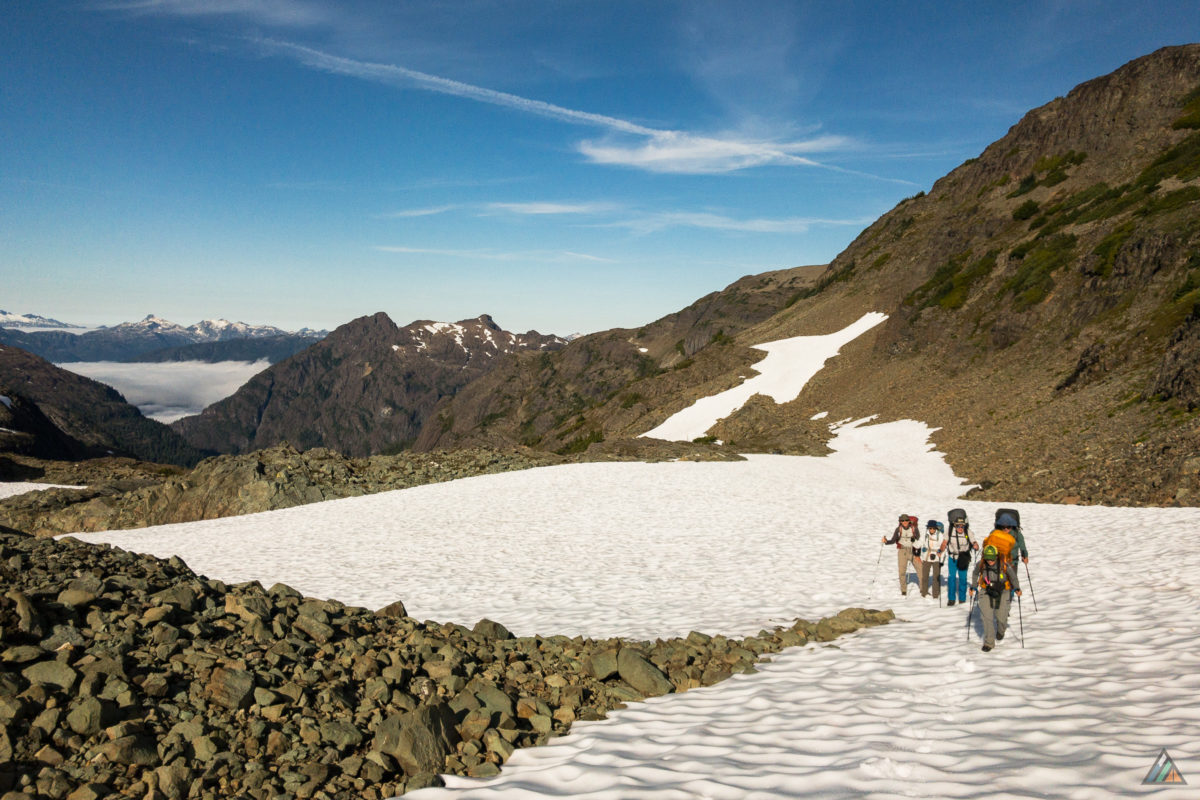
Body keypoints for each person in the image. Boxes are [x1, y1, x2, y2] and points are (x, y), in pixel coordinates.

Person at [969, 544, 1021, 652]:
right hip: (986, 590)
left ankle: (1001, 631)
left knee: (1001, 617)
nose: (990, 561)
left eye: (992, 558)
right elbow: (975, 574)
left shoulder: (1004, 564)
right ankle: (989, 643)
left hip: (1003, 591)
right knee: (986, 617)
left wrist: (1017, 588)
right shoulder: (982, 564)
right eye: (988, 558)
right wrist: (973, 586)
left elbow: (1013, 577)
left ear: (996, 556)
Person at [882, 514, 921, 596]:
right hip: (902, 551)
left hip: (913, 550)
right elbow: (893, 540)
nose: (904, 522)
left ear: (909, 521)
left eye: (906, 520)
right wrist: (886, 542)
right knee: (902, 572)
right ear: (900, 522)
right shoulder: (898, 529)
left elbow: (918, 538)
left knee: (920, 569)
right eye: (902, 521)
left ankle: (923, 589)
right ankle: (903, 590)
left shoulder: (914, 528)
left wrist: (915, 539)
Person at [945, 515, 978, 607]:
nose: (960, 528)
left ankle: (962, 599)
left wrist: (975, 545)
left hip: (963, 558)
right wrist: (941, 550)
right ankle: (951, 599)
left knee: (962, 579)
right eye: (958, 526)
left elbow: (973, 541)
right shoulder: (950, 530)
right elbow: (944, 542)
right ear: (954, 525)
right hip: (952, 557)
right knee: (951, 578)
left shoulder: (968, 532)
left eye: (962, 526)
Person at [919, 520, 946, 599]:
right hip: (926, 557)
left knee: (936, 577)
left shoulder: (940, 535)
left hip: (937, 557)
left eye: (933, 528)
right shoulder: (925, 535)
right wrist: (914, 542)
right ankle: (924, 593)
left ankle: (935, 594)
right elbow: (920, 543)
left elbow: (943, 548)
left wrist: (941, 561)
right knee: (925, 576)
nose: (932, 530)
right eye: (930, 528)